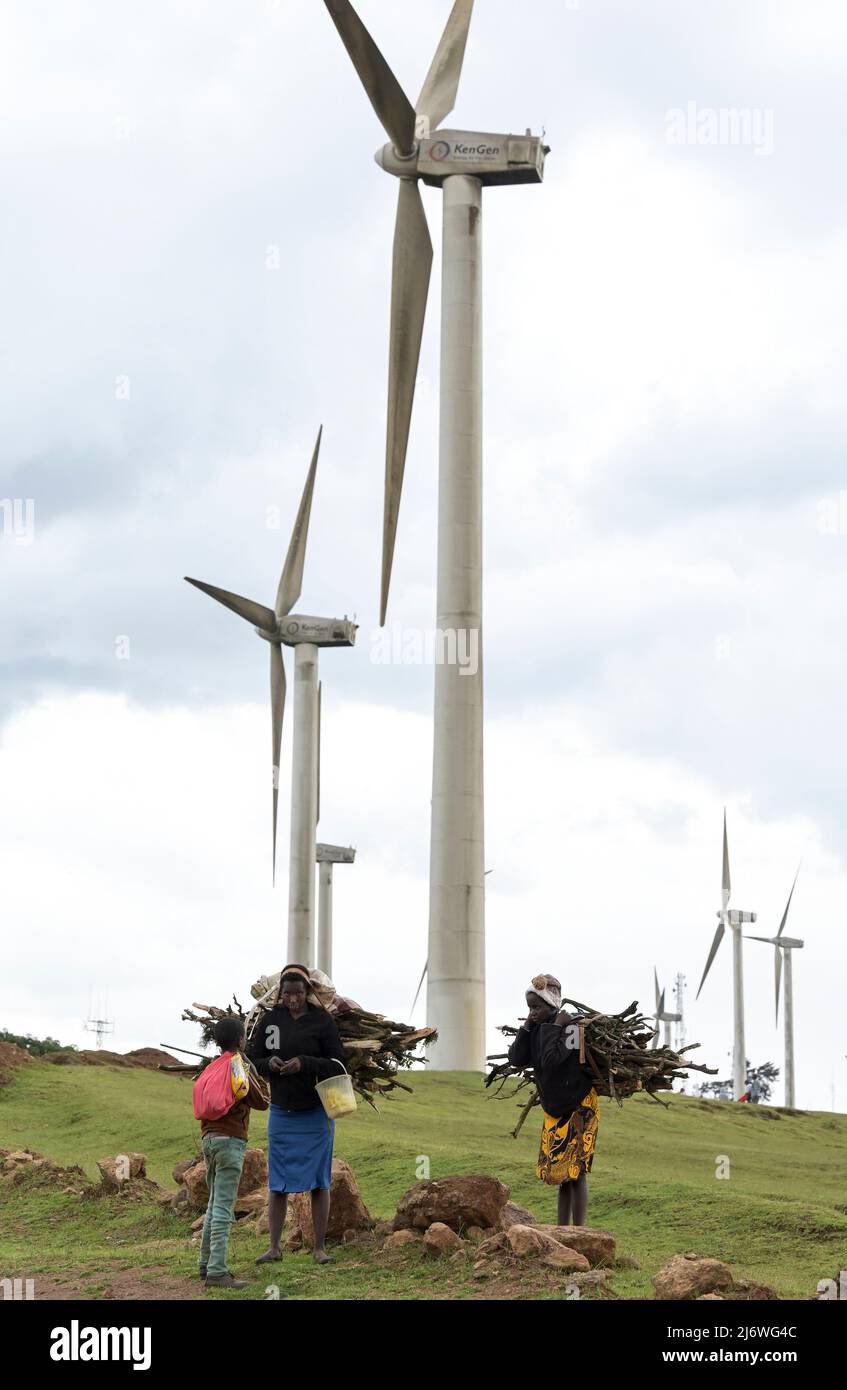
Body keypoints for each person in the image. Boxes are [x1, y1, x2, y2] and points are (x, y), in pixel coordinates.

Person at [247, 963, 346, 1266]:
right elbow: (253, 1058)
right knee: (278, 1182)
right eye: (288, 994)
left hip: (316, 1113)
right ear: (280, 994)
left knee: (319, 1181)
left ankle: (319, 1248)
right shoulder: (270, 1020)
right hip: (282, 1112)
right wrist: (270, 1064)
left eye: (298, 994)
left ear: (307, 993)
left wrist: (304, 1062)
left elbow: (338, 1063)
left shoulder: (322, 1021)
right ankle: (274, 1248)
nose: (293, 999)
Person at [507, 973, 599, 1226]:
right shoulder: (538, 1029)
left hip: (579, 1106)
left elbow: (550, 1059)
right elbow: (516, 1058)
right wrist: (527, 1025)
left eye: (536, 1007)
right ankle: (561, 1230)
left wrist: (555, 1025)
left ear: (551, 1005)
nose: (533, 1012)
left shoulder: (571, 1029)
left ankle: (579, 1231)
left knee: (576, 1172)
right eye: (529, 1008)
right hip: (555, 1110)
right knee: (560, 1175)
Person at [199, 1015, 270, 1290]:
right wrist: (257, 1074)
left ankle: (205, 1264)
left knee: (213, 1203)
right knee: (224, 1207)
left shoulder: (211, 1067)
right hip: (230, 1142)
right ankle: (217, 1272)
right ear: (241, 1039)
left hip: (208, 1140)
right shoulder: (238, 1065)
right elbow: (261, 1101)